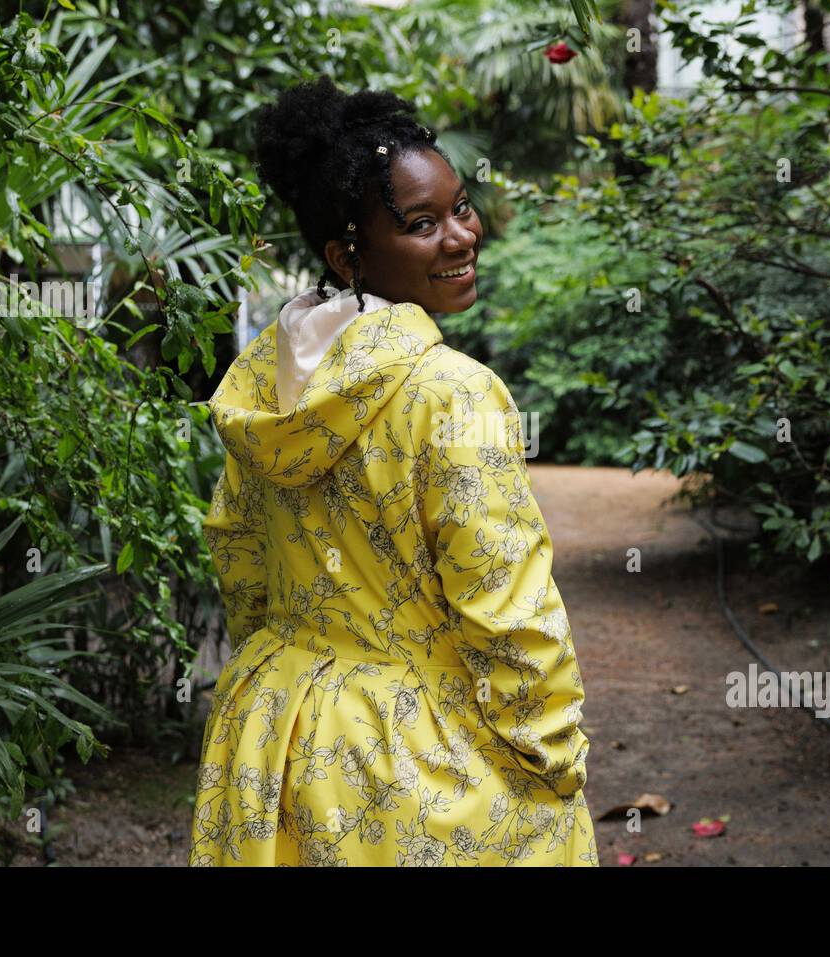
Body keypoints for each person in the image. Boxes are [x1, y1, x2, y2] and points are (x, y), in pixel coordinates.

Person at [189, 76, 598, 866]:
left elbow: (238, 550)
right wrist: (552, 757)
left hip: (276, 735)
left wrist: (294, 666)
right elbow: (508, 606)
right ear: (348, 253)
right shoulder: (451, 391)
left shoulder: (266, 386)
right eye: (421, 224)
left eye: (461, 207)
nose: (462, 235)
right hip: (413, 750)